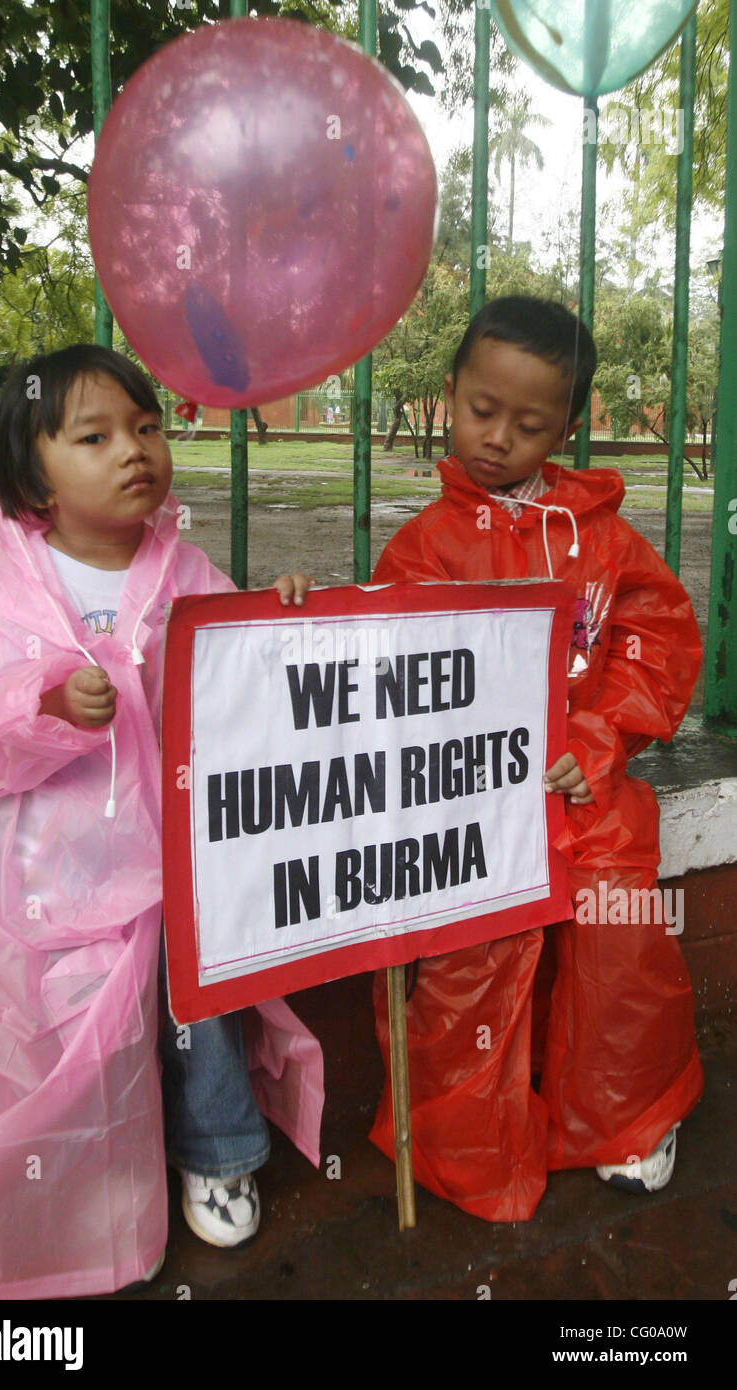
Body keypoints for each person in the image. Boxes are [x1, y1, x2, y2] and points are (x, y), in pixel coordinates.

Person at [0, 345, 321, 1298]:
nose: (133, 451)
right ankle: (86, 1179)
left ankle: (220, 1150)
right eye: (94, 436)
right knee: (73, 1031)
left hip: (177, 855)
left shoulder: (187, 570)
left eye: (146, 428)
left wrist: (281, 618)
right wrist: (46, 703)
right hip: (60, 875)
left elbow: (251, 671)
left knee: (203, 1002)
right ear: (35, 476)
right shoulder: (12, 604)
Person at [368, 296, 703, 1222]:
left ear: (565, 425)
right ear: (450, 394)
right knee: (466, 952)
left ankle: (627, 1116)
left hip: (583, 792)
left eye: (528, 423)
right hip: (466, 807)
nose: (497, 439)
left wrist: (599, 740)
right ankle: (464, 1132)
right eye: (481, 411)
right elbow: (383, 671)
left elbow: (657, 641)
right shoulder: (424, 545)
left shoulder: (600, 537)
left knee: (618, 941)